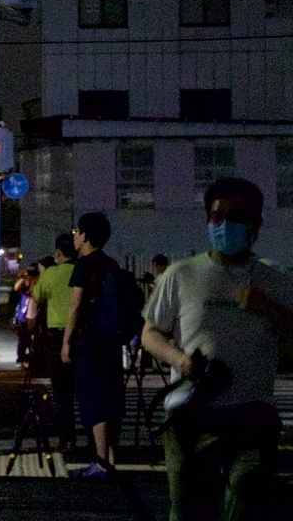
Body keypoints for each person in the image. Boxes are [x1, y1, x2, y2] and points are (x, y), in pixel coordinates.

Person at [142, 177, 293, 520]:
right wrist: (180, 360)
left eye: (237, 217)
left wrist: (268, 309)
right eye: (217, 216)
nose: (225, 225)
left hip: (251, 412)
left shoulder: (275, 279)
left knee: (247, 493)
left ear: (256, 223)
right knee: (188, 509)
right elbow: (151, 333)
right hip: (192, 411)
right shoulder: (181, 274)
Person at [61, 212, 126, 477]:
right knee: (111, 399)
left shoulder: (84, 265)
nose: (75, 236)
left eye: (77, 232)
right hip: (112, 342)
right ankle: (109, 461)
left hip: (90, 343)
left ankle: (100, 463)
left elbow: (75, 305)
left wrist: (66, 341)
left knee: (94, 400)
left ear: (86, 236)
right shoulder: (112, 264)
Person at [33, 232, 77, 452]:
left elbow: (37, 295)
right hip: (81, 336)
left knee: (61, 391)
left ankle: (67, 438)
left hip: (57, 337)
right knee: (83, 389)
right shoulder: (81, 270)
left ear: (59, 252)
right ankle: (94, 438)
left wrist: (43, 273)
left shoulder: (52, 273)